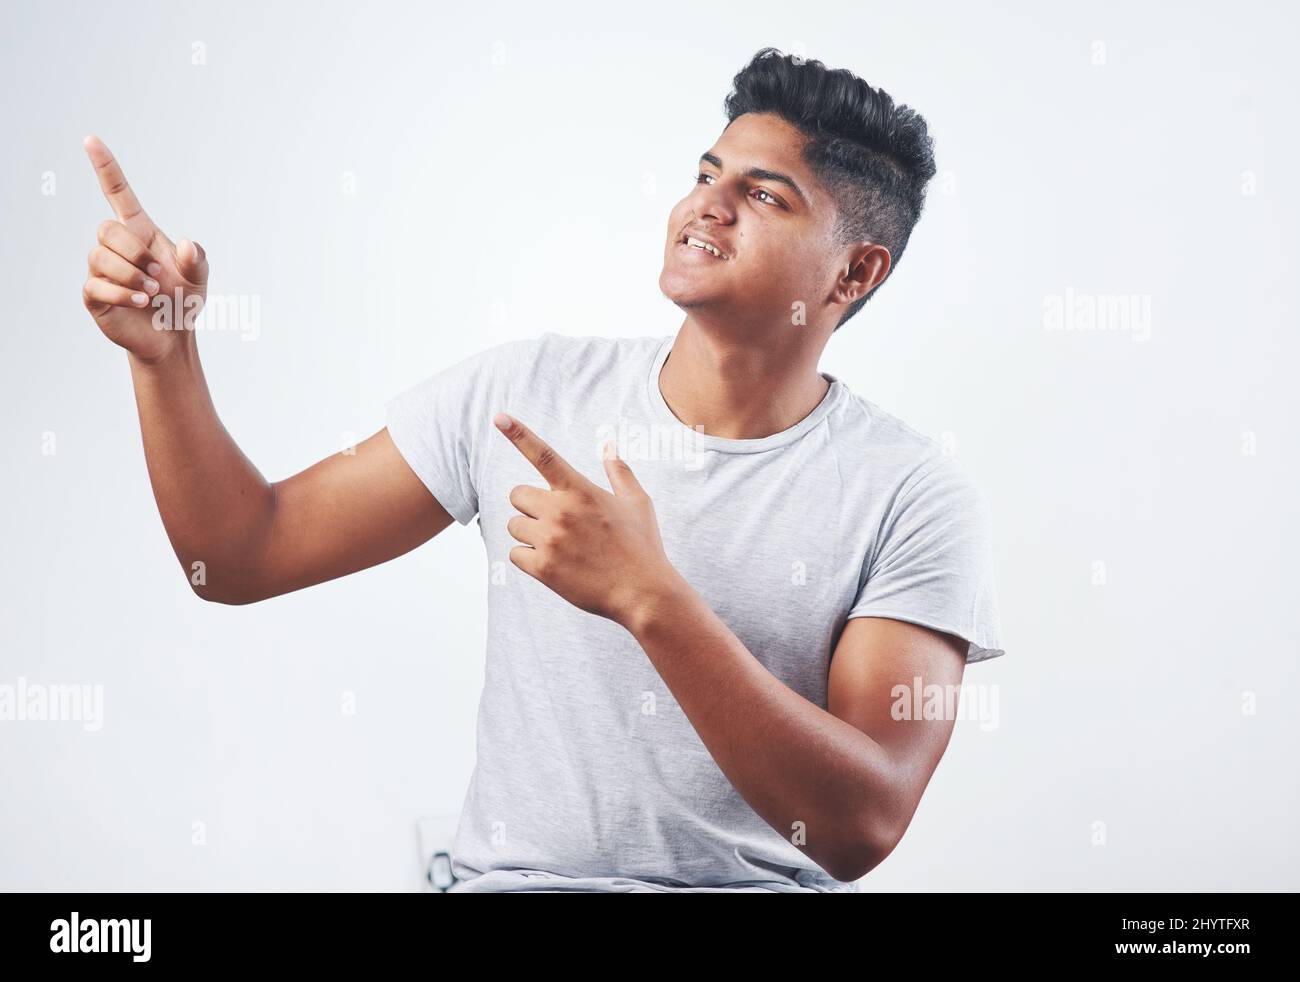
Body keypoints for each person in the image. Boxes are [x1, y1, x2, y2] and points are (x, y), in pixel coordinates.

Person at [80, 46, 1004, 893]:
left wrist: (650, 596)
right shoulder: (528, 391)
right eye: (706, 174)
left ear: (854, 274)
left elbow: (862, 824)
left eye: (767, 196)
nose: (706, 207)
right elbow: (240, 555)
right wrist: (166, 360)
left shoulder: (912, 494)